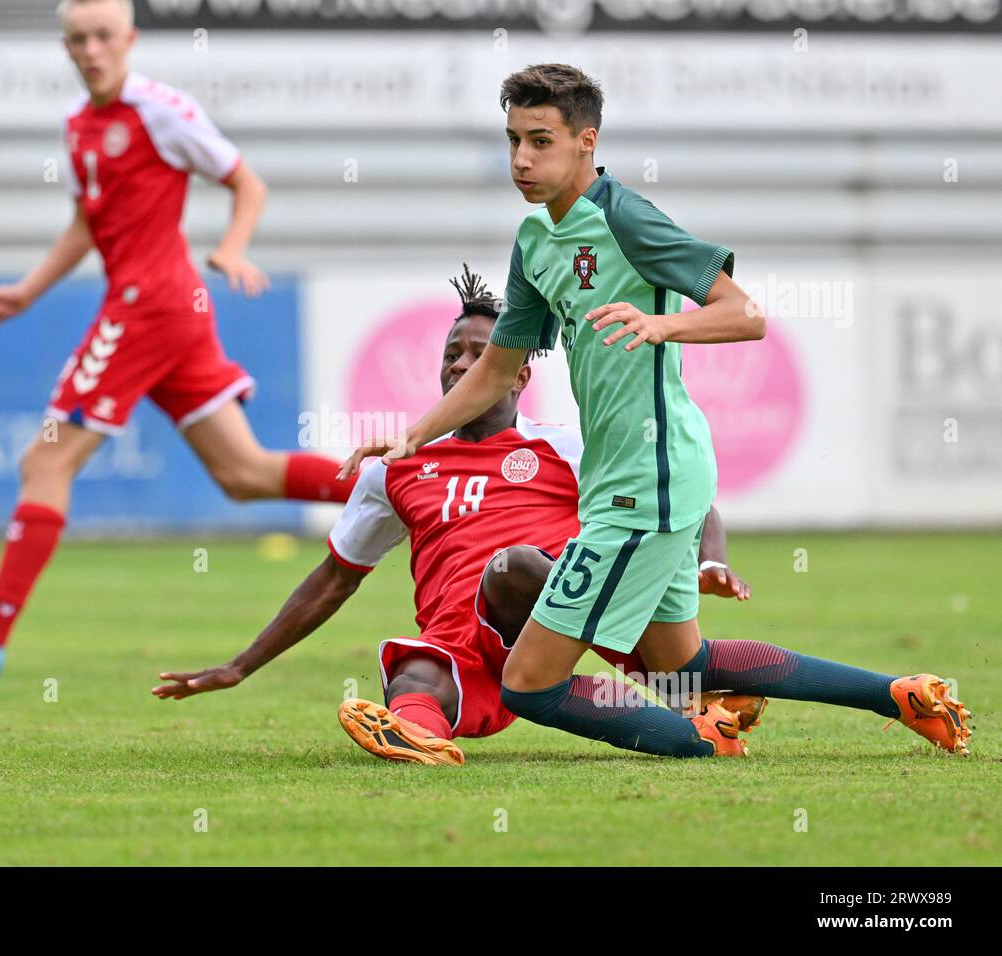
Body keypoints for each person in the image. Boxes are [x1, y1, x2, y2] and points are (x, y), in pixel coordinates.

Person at [340, 64, 971, 757]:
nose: (522, 158)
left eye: (540, 141)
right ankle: (900, 695)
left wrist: (663, 324)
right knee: (685, 666)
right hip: (627, 473)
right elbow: (496, 368)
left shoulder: (624, 216)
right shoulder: (534, 242)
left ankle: (703, 742)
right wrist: (410, 437)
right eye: (514, 140)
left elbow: (744, 314)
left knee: (529, 684)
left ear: (587, 141)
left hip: (652, 477)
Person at [0, 0, 350, 678]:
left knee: (44, 462)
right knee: (243, 474)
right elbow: (86, 221)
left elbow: (245, 180)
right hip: (162, 313)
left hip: (150, 307)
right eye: (76, 39)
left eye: (103, 36)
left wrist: (230, 248)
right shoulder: (78, 126)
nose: (90, 50)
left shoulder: (159, 109)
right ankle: (403, 482)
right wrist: (28, 289)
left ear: (129, 39)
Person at [153, 265, 764, 764]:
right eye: (452, 352)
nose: (459, 363)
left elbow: (686, 495)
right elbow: (334, 577)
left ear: (519, 372)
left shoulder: (568, 447)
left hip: (549, 620)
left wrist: (710, 559)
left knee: (517, 568)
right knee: (415, 673)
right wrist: (240, 665)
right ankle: (417, 736)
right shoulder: (394, 469)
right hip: (465, 647)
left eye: (480, 352)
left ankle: (690, 689)